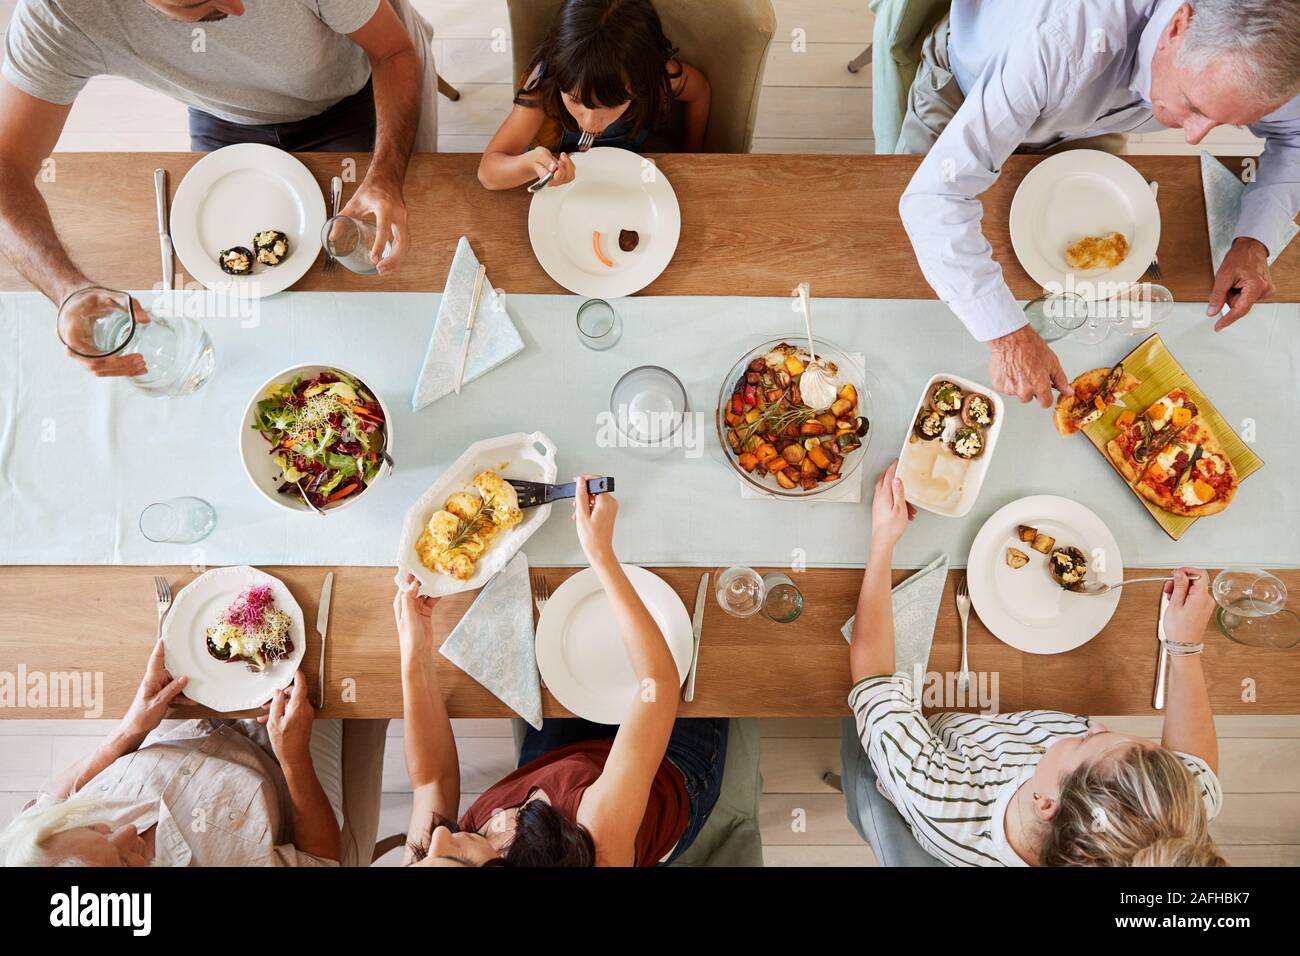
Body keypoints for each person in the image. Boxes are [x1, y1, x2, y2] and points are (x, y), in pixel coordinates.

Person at [0, 0, 434, 379]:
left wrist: (385, 176)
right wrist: (67, 291)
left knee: (378, 277)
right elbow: (6, 167)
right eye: (198, 2)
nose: (240, 7)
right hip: (229, 119)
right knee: (242, 306)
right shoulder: (60, 13)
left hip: (360, 89)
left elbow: (394, 52)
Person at [896, 0, 1300, 407]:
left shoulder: (1270, 51)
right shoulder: (1059, 37)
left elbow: (1296, 137)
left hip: (1089, 118)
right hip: (970, 90)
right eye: (1194, 106)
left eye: (1223, 122)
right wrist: (1007, 336)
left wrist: (1253, 241)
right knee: (907, 270)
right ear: (1178, 26)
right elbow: (934, 198)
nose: (1194, 137)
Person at [844, 461, 1225, 867]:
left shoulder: (946, 798)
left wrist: (883, 540)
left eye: (1087, 741)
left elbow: (876, 679)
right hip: (1021, 711)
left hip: (935, 734)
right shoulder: (1169, 815)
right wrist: (1184, 645)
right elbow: (1197, 767)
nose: (1095, 725)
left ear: (1045, 803)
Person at [395, 478, 727, 866]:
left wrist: (414, 648)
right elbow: (658, 685)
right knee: (715, 647)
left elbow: (432, 782)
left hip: (566, 764)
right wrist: (601, 553)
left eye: (421, 860)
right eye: (457, 858)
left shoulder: (438, 853)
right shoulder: (597, 844)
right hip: (669, 766)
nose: (438, 837)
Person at [0, 640, 343, 866]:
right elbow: (322, 860)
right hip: (282, 763)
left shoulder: (29, 850)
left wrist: (131, 728)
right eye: (123, 862)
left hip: (179, 732)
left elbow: (56, 799)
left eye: (95, 830)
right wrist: (294, 757)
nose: (127, 832)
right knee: (333, 664)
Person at [478, 0, 710, 191]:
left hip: (627, 183)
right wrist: (529, 165)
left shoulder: (657, 79)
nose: (589, 122)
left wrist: (692, 155)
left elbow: (700, 92)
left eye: (610, 104)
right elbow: (488, 173)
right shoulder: (545, 84)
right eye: (574, 99)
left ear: (642, 81)